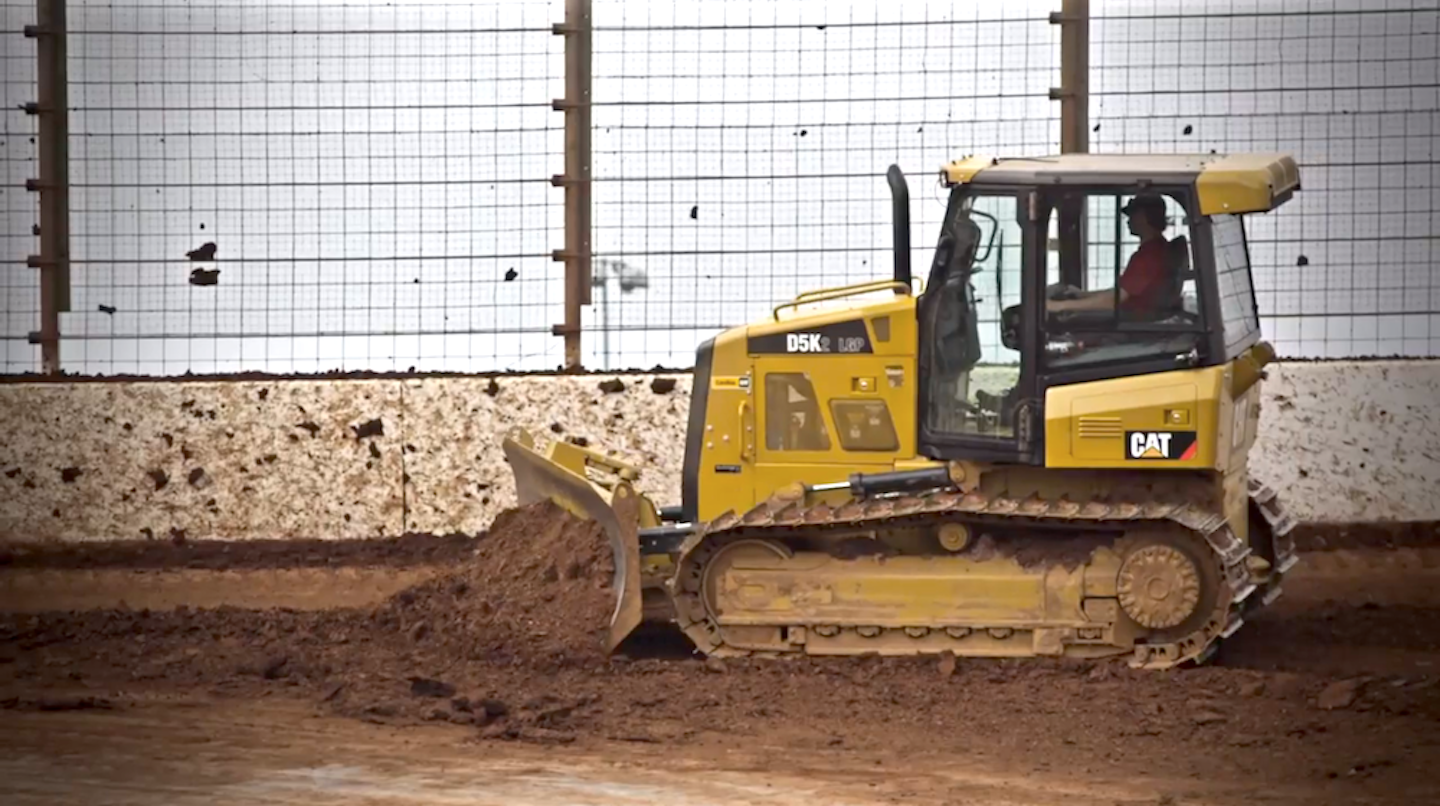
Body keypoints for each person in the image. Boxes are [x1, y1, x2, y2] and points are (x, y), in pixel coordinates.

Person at [1047, 194, 1171, 318]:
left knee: (1073, 320)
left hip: (1132, 321)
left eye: (1132, 215)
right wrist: (1082, 294)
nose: (1128, 220)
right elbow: (1119, 292)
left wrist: (1060, 306)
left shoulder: (1149, 256)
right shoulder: (1156, 249)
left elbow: (1113, 300)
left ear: (1143, 217)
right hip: (1133, 316)